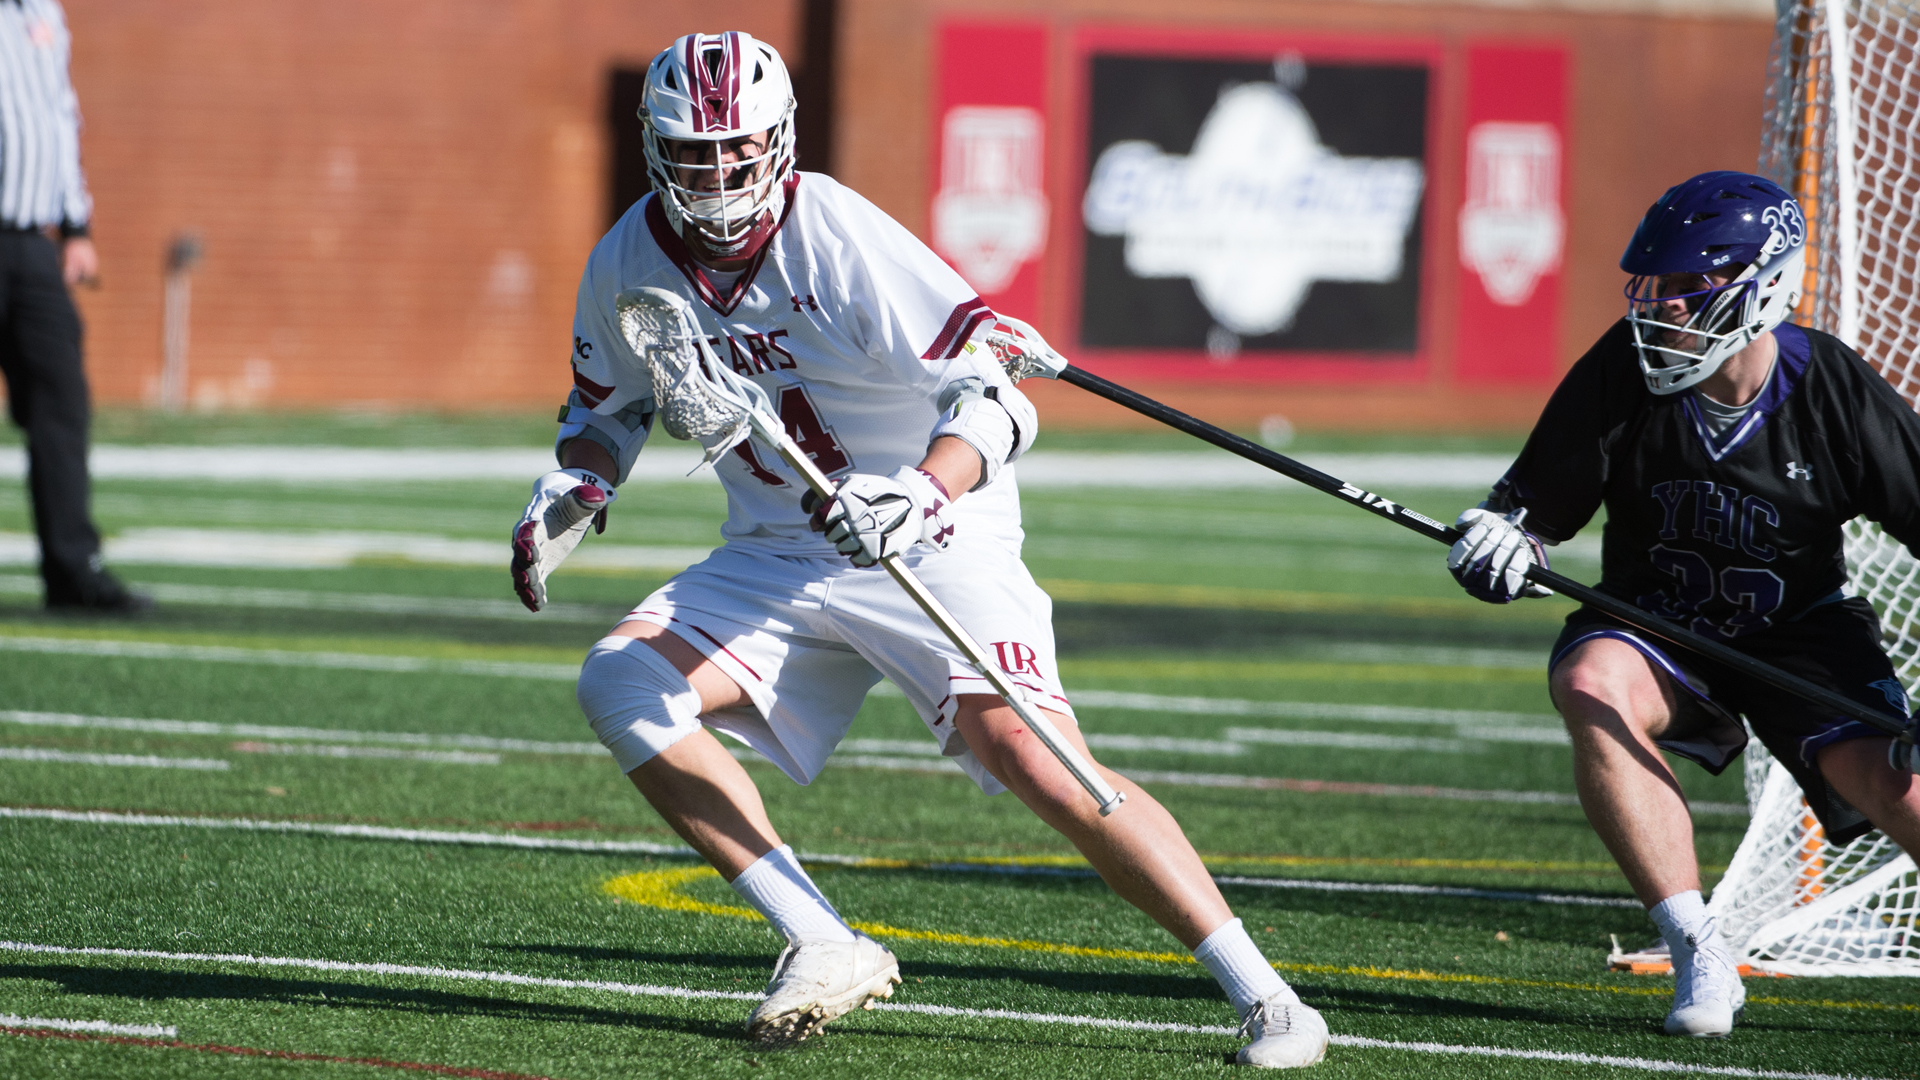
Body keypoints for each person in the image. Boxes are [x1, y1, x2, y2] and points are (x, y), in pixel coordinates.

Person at [510, 30, 1328, 1067]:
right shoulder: (627, 253)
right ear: (654, 147)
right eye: (692, 152)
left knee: (1033, 753)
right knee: (622, 681)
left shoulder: (836, 233)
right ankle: (820, 939)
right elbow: (607, 408)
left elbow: (997, 398)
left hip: (933, 529)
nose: (714, 175)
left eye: (735, 149)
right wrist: (576, 485)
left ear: (780, 142)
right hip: (777, 549)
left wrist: (920, 491)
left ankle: (1268, 996)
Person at [1445, 170, 1920, 1037]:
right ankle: (1699, 948)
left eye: (1686, 291)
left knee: (1900, 788)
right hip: (1654, 620)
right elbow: (1531, 514)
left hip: (1799, 631)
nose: (1659, 309)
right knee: (1591, 680)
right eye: (1653, 288)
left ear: (1763, 288)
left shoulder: (1834, 392)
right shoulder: (1622, 369)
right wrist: (1496, 546)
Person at [0, 0, 144, 613]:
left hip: (33, 243)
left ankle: (72, 569)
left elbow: (60, 115)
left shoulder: (45, 13)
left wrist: (76, 226)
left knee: (62, 400)